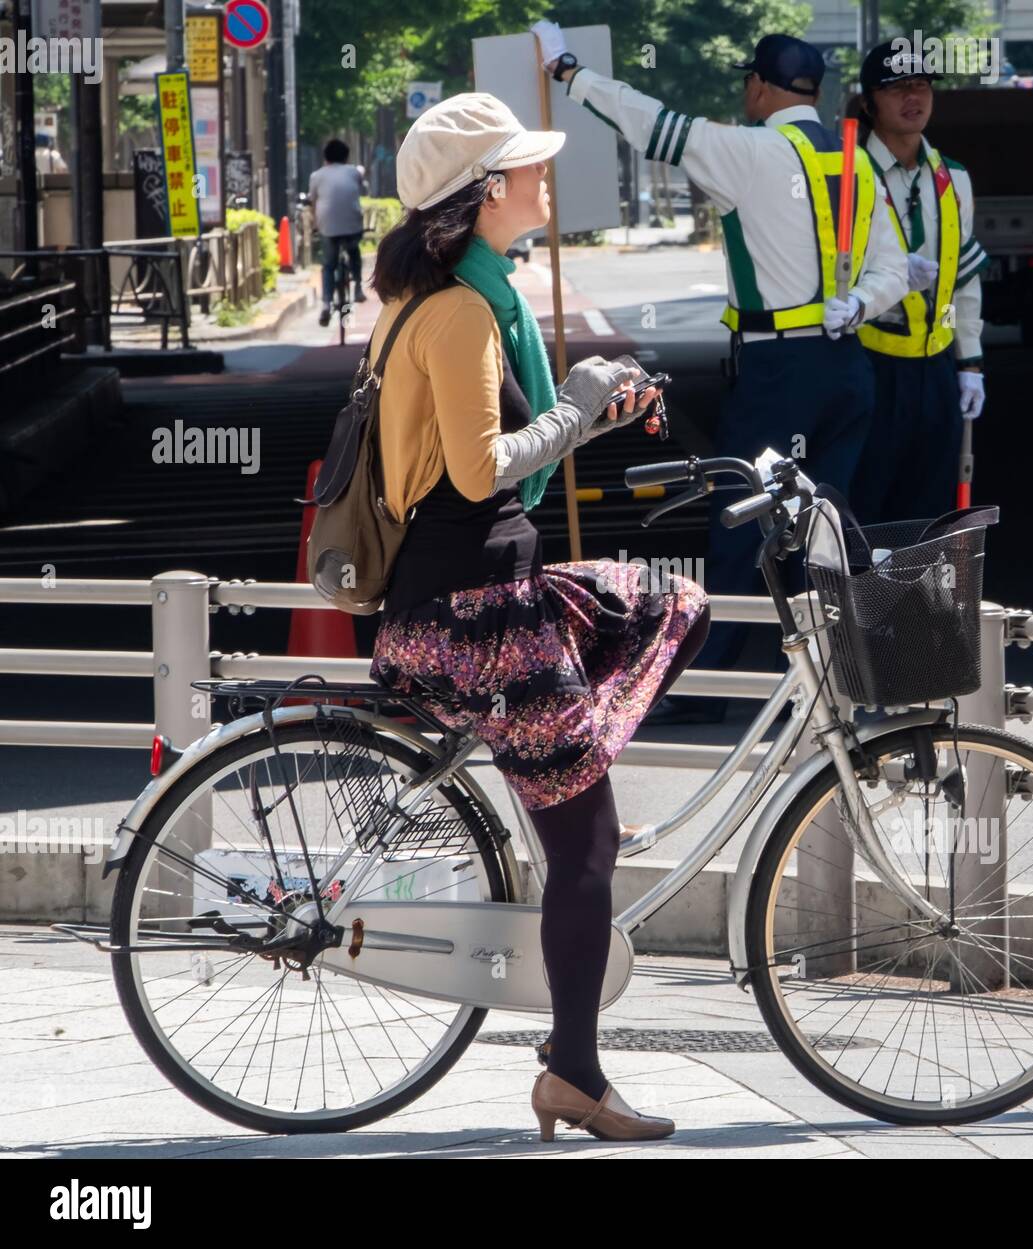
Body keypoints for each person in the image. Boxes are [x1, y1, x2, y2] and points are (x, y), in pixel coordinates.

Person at [364, 92, 711, 1142]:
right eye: (523, 169)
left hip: (467, 591)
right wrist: (578, 399)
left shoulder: (435, 301)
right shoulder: (462, 312)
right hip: (479, 610)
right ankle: (573, 1071)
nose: (542, 181)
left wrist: (589, 410)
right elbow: (480, 472)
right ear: (478, 199)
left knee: (669, 602)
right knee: (589, 849)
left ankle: (564, 772)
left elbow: (494, 460)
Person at [534, 22, 909, 723]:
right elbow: (895, 267)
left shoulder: (753, 148)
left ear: (760, 87)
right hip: (847, 366)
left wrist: (569, 71)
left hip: (778, 373)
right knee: (826, 524)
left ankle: (710, 686)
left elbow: (653, 123)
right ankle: (835, 686)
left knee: (743, 523)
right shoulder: (859, 160)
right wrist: (860, 300)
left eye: (747, 83)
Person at [849, 43, 989, 526]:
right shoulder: (849, 174)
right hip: (868, 361)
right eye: (896, 88)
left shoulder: (955, 178)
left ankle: (921, 601)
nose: (913, 97)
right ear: (869, 102)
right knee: (866, 495)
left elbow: (963, 280)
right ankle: (862, 600)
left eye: (922, 86)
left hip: (936, 367)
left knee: (932, 506)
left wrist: (969, 362)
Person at [309, 138, 368, 326]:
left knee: (328, 265)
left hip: (327, 226)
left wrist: (314, 225)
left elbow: (313, 202)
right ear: (346, 156)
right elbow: (357, 188)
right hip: (352, 225)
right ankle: (358, 287)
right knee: (354, 252)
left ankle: (326, 303)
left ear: (325, 157)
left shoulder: (316, 176)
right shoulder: (353, 172)